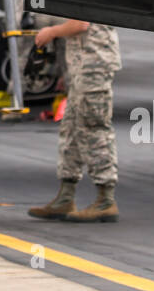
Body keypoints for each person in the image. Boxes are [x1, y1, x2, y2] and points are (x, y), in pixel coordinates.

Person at [28, 16, 122, 222]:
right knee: (70, 128)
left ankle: (106, 199)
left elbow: (80, 24)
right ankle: (66, 196)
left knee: (94, 127)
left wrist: (50, 32)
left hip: (94, 66)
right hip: (82, 67)